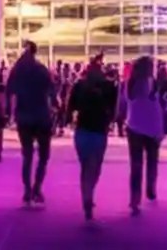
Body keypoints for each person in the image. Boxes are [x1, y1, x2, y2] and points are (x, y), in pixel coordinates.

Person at [66, 55, 115, 220]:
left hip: (82, 131)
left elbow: (70, 106)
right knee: (95, 167)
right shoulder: (108, 86)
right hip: (99, 131)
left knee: (86, 166)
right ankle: (88, 195)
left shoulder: (79, 85)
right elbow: (113, 109)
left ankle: (87, 195)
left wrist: (68, 119)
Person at [7, 41, 55, 203]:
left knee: (27, 156)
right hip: (42, 116)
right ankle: (37, 187)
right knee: (44, 156)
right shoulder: (42, 70)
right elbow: (52, 93)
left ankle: (27, 190)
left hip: (24, 116)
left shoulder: (18, 71)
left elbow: (9, 92)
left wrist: (10, 113)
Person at [124, 55, 165, 216]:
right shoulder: (143, 84)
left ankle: (137, 197)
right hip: (146, 127)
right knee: (149, 162)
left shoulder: (133, 83)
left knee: (138, 164)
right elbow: (151, 105)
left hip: (136, 126)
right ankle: (148, 190)